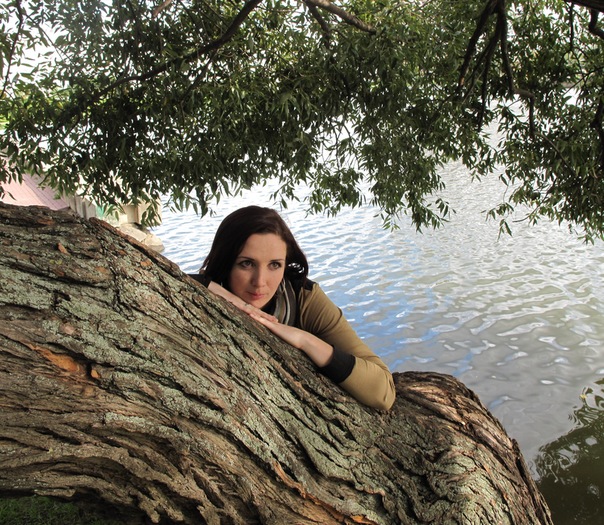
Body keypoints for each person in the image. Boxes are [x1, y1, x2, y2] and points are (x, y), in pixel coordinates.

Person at [193, 206, 395, 410]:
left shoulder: (304, 298)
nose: (260, 281)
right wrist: (232, 300)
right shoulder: (199, 296)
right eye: (246, 264)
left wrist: (305, 340)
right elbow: (178, 278)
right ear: (226, 262)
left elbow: (383, 392)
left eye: (274, 265)